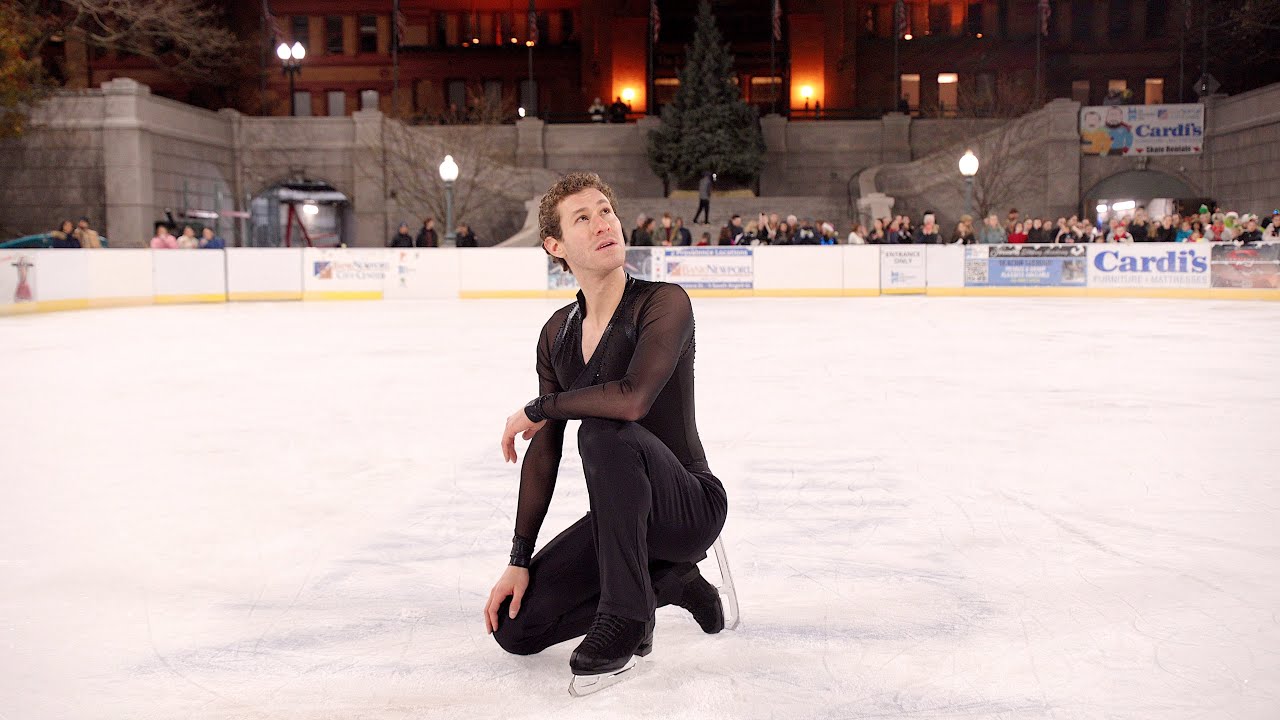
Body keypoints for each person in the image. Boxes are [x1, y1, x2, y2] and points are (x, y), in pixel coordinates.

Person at [487, 172, 729, 696]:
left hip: (687, 507)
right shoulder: (557, 334)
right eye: (582, 218)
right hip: (624, 517)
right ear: (556, 246)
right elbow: (544, 452)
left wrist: (541, 406)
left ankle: (629, 618)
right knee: (514, 629)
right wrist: (519, 558)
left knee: (602, 431)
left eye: (606, 211)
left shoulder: (663, 303)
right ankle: (671, 581)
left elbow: (633, 399)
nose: (603, 224)